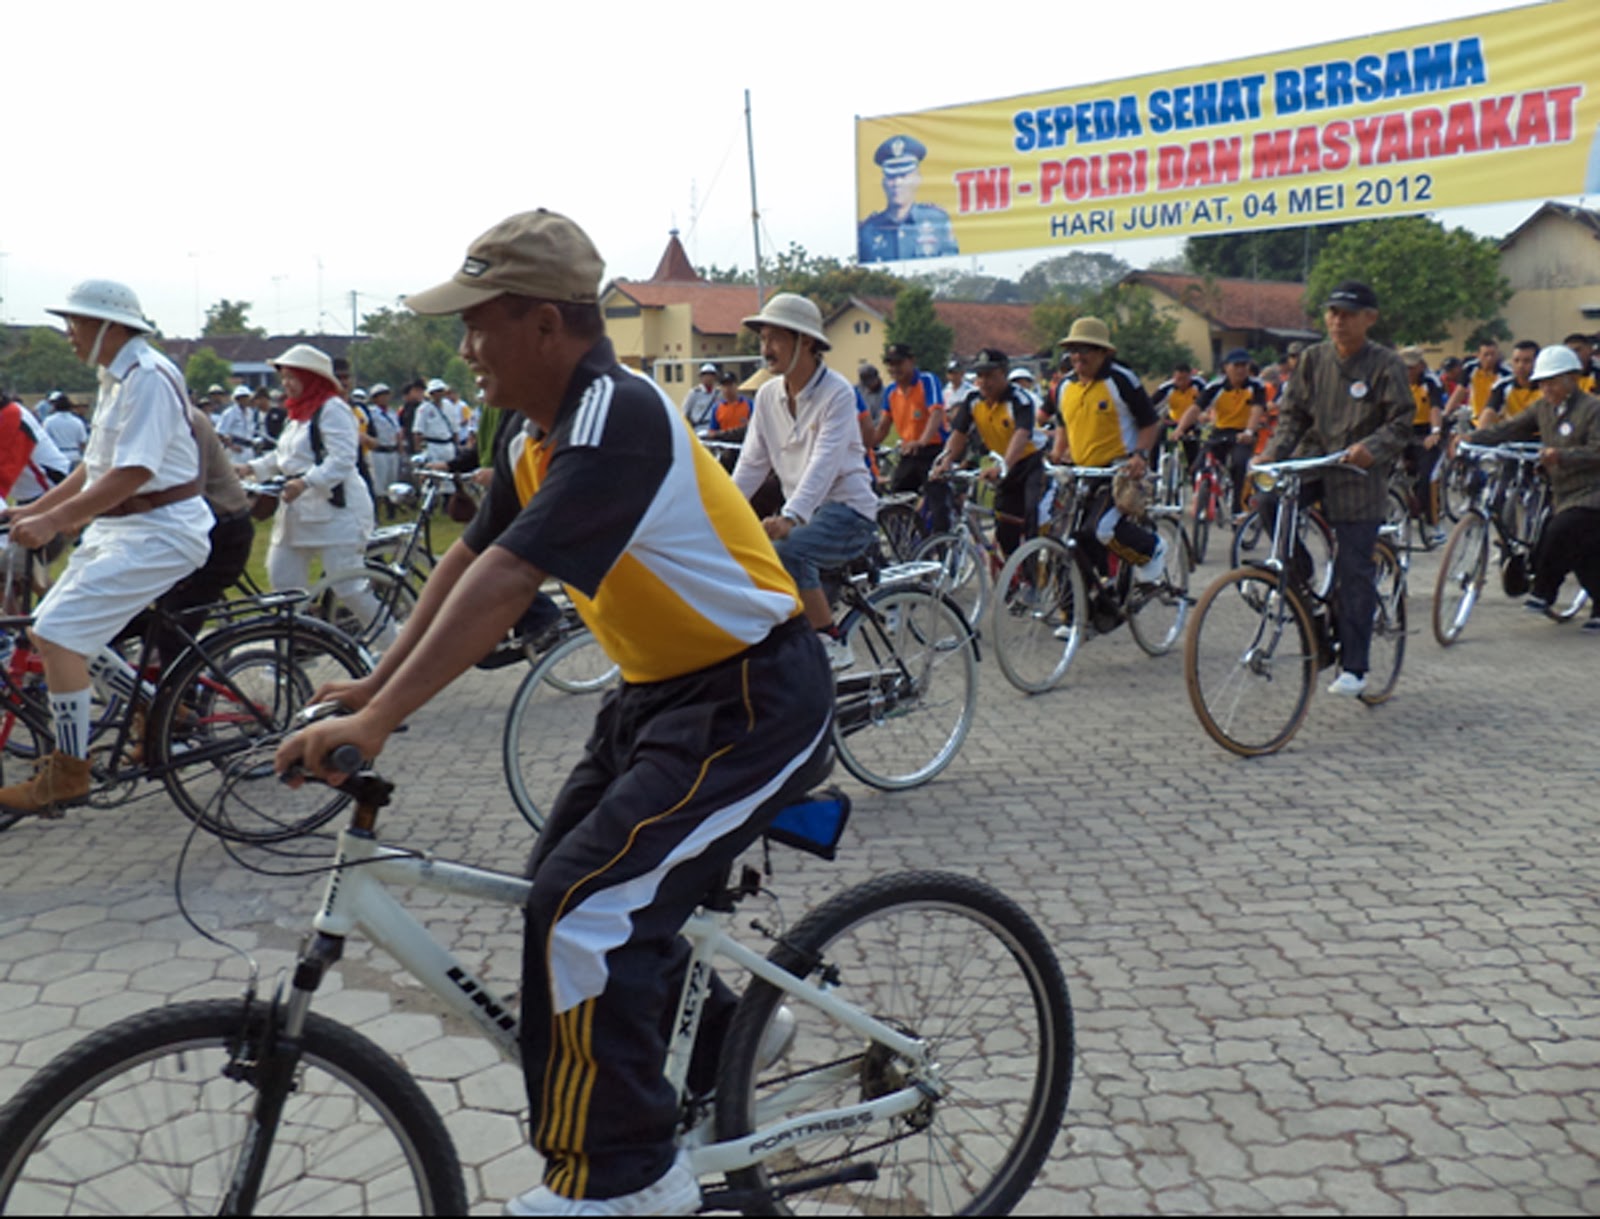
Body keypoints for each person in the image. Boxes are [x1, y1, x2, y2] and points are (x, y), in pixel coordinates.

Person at [276, 209, 833, 1216]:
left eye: (476, 324)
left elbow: (513, 575)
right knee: (561, 885)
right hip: (659, 694)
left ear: (542, 324)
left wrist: (383, 720)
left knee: (584, 910)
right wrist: (372, 686)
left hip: (754, 698)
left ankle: (625, 1182)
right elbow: (470, 558)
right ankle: (727, 1040)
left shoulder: (613, 413)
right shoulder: (532, 427)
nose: (463, 348)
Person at [0, 280, 214, 815]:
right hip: (126, 531)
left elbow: (135, 470)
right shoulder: (116, 378)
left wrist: (55, 522)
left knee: (56, 632)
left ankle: (69, 775)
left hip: (161, 532)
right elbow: (94, 468)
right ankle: (153, 707)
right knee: (59, 625)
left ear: (110, 327)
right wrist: (33, 511)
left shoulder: (147, 378)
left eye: (77, 324)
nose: (69, 334)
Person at [1258, 280, 1413, 697]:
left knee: (1353, 571)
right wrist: (1272, 456)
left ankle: (1356, 666)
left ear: (1369, 319)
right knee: (1268, 499)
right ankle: (1300, 572)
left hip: (1359, 474)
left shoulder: (1385, 364)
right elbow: (1291, 414)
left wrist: (1372, 448)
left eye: (1346, 314)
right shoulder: (1312, 358)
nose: (1337, 321)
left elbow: (1401, 421)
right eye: (1332, 312)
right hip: (1315, 460)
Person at [732, 292, 880, 669]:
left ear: (806, 341)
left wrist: (792, 516)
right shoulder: (766, 396)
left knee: (789, 549)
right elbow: (751, 463)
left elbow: (823, 464)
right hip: (806, 514)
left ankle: (831, 640)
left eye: (775, 338)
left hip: (848, 513)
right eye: (763, 339)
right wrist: (720, 511)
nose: (766, 348)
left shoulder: (837, 393)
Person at [236, 344, 385, 644]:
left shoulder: (333, 409)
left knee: (349, 588)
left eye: (292, 377)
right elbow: (285, 458)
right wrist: (249, 469)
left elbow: (342, 459)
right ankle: (289, 652)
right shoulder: (297, 415)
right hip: (296, 512)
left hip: (336, 511)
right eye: (284, 378)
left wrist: (306, 482)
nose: (286, 384)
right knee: (283, 584)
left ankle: (395, 647)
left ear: (311, 377)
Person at [1467, 345, 1600, 630]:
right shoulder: (1542, 407)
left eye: (1552, 381)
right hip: (1562, 492)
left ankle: (1543, 592)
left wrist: (1561, 455)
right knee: (1583, 550)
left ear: (1572, 378)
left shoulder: (1593, 409)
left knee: (1561, 530)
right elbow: (1510, 428)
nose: (1546, 388)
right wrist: (1472, 438)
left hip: (1593, 492)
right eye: (1542, 382)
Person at [1051, 316, 1166, 587]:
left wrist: (1140, 455)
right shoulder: (1064, 387)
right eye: (1073, 350)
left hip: (1117, 471)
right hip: (1081, 472)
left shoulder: (1121, 380)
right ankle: (1085, 610)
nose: (1078, 356)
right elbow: (1062, 423)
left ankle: (1152, 549)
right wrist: (1058, 452)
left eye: (1086, 349)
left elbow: (1149, 422)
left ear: (1104, 352)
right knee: (1073, 538)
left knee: (1102, 529)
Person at [932, 348, 1046, 560]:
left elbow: (1021, 435)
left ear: (1004, 374)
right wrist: (945, 461)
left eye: (990, 375)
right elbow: (959, 434)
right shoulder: (973, 400)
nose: (984, 381)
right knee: (1005, 531)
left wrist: (1003, 466)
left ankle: (1033, 581)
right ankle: (1012, 581)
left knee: (1031, 516)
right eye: (980, 376)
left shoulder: (1020, 400)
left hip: (1028, 463)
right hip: (1003, 467)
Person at [1175, 348, 1266, 518]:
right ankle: (1207, 498)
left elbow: (1257, 410)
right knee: (1198, 464)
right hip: (1220, 432)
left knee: (1239, 464)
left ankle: (1238, 509)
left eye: (1244, 365)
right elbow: (1196, 408)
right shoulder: (1216, 386)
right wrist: (1180, 429)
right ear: (1226, 368)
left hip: (1243, 434)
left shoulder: (1256, 386)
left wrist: (1249, 431)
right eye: (1236, 365)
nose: (1241, 369)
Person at [871, 341, 950, 530]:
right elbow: (883, 427)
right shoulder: (891, 392)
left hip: (933, 450)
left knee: (938, 504)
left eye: (898, 363)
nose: (893, 368)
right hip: (909, 453)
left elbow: (936, 413)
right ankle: (907, 547)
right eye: (890, 364)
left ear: (911, 361)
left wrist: (921, 441)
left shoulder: (927, 380)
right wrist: (864, 445)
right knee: (895, 503)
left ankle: (943, 549)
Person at [857, 134, 958, 263]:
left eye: (904, 176)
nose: (897, 183)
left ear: (917, 179)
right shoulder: (867, 230)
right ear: (883, 182)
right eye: (891, 177)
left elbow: (951, 265)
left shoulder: (937, 220)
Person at [1402, 346, 1449, 545]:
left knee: (1428, 478)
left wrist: (1435, 432)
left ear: (1420, 366)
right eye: (1404, 367)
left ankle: (1433, 524)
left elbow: (1436, 408)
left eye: (1411, 367)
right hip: (1403, 431)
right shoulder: (1395, 381)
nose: (1407, 371)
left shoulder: (1430, 382)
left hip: (1426, 432)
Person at [1478, 340, 1541, 428]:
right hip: (1513, 436)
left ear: (1538, 362)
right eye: (1516, 360)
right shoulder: (1503, 385)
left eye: (1527, 361)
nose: (1520, 365)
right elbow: (1489, 412)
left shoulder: (1546, 386)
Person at [1447, 340, 1510, 425]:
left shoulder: (1506, 373)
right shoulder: (1470, 368)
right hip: (1475, 419)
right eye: (1486, 355)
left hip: (1498, 422)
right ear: (1478, 355)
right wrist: (1446, 413)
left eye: (1493, 354)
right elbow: (1459, 391)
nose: (1489, 358)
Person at [365, 382, 405, 518]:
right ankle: (375, 512)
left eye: (386, 395)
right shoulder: (371, 413)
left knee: (391, 482)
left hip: (392, 450)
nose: (385, 398)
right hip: (378, 451)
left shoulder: (392, 413)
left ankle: (391, 511)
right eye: (381, 396)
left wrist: (400, 447)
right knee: (379, 484)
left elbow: (398, 432)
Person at [413, 377, 459, 463]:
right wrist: (418, 449)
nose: (438, 394)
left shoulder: (449, 405)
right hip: (433, 446)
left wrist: (457, 444)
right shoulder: (424, 408)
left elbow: (455, 428)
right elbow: (418, 431)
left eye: (440, 391)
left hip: (448, 445)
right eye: (436, 391)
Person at [215, 383, 260, 456]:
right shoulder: (230, 413)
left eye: (247, 397)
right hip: (235, 448)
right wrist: (232, 446)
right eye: (243, 397)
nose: (246, 399)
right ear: (237, 399)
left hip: (248, 448)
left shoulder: (250, 412)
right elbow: (219, 432)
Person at [681, 362, 719, 427]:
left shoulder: (718, 393)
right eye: (705, 375)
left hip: (713, 428)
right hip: (698, 427)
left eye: (711, 375)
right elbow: (685, 412)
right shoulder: (694, 393)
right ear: (701, 377)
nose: (708, 378)